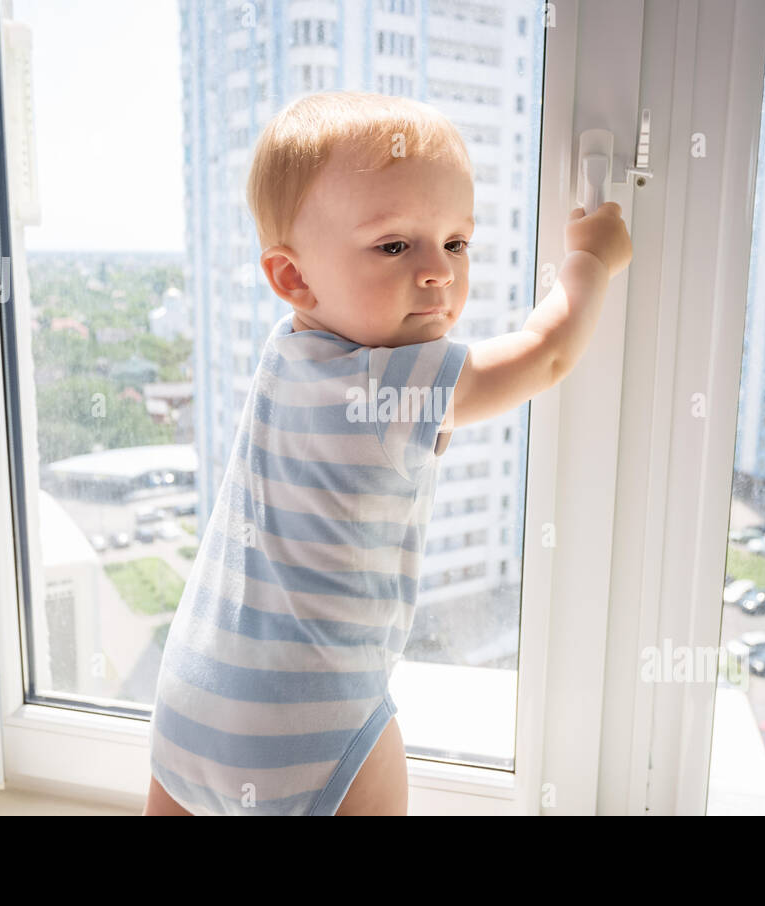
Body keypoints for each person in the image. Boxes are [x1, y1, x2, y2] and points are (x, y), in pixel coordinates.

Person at [144, 90, 631, 815]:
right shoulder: (396, 381)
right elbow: (546, 356)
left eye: (456, 243)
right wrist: (590, 260)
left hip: (191, 700)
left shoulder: (289, 351)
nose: (437, 271)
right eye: (394, 245)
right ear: (293, 277)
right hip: (316, 727)